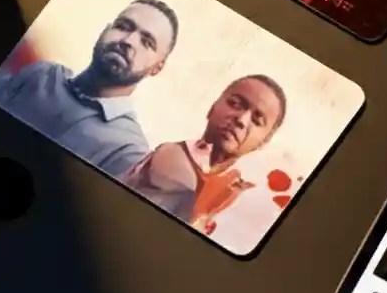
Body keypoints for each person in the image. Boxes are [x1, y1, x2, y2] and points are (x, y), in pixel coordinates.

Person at [0, 0, 179, 177]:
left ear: (157, 68)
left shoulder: (127, 150)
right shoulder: (41, 74)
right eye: (123, 26)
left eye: (147, 42)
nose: (128, 41)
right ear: (105, 31)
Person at [122, 75, 286, 232]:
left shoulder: (236, 195)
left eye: (257, 120)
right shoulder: (173, 156)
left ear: (263, 142)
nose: (241, 120)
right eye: (235, 104)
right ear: (212, 108)